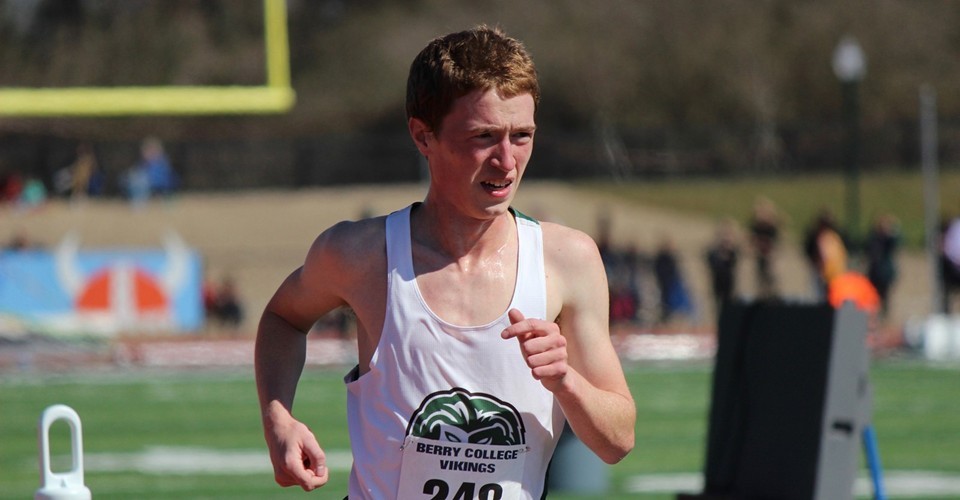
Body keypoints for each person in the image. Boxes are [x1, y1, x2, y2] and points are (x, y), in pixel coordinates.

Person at [254, 25, 635, 498]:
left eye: (522, 135)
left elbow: (618, 440)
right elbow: (282, 318)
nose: (506, 161)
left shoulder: (566, 260)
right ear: (422, 135)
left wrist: (566, 382)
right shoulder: (361, 254)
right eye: (483, 136)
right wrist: (279, 419)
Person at [864, 213, 900, 318]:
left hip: (885, 273)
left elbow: (895, 241)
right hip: (875, 272)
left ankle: (884, 315)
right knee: (874, 296)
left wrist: (892, 230)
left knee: (885, 297)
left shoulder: (889, 239)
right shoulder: (874, 238)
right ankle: (876, 315)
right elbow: (869, 251)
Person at [748, 196, 780, 299]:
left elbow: (775, 241)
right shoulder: (756, 226)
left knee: (771, 276)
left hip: (769, 255)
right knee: (761, 277)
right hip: (760, 254)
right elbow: (752, 239)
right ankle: (763, 296)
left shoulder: (772, 227)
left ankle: (772, 295)